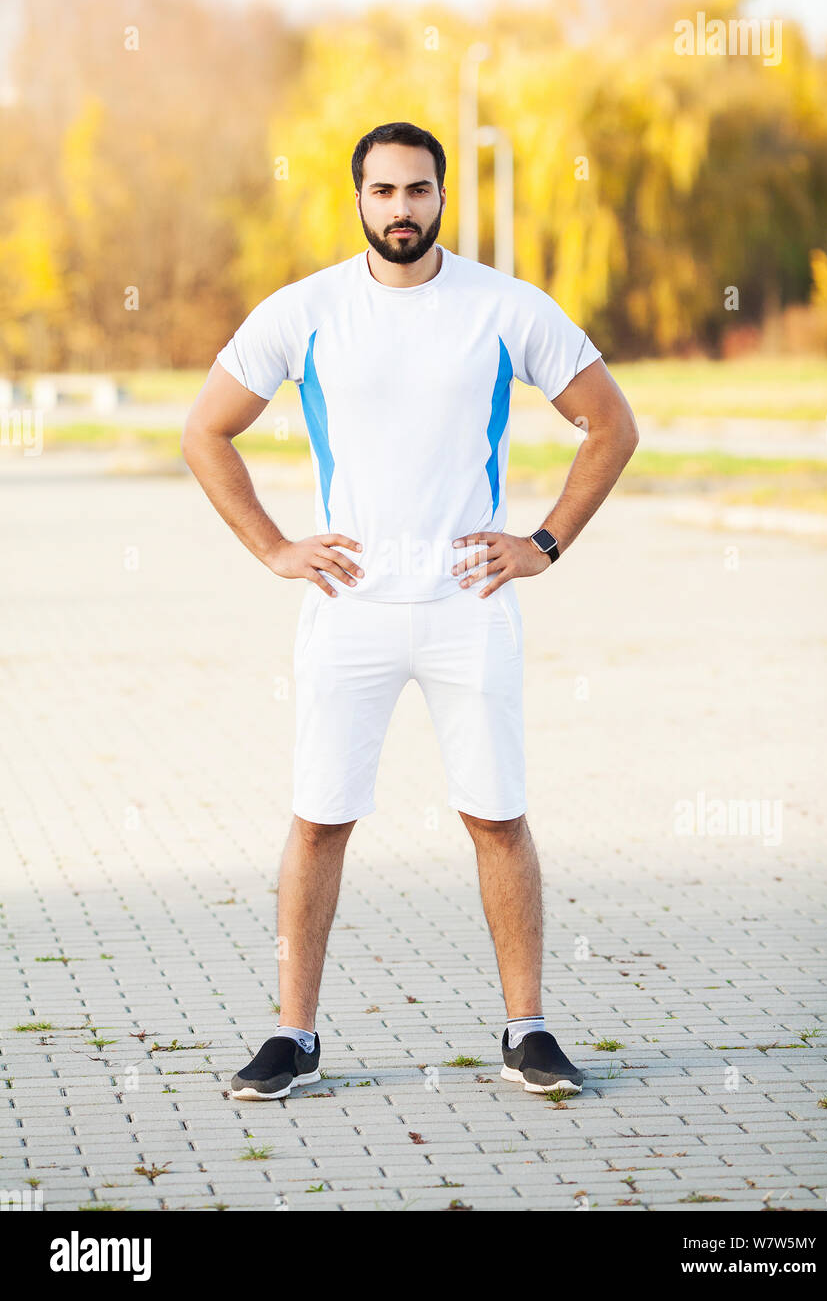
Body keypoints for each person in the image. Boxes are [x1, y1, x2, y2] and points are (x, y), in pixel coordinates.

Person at [181, 120, 639, 1100]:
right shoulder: (305, 312)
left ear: (440, 197)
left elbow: (609, 423)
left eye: (418, 191)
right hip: (347, 607)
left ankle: (528, 1030)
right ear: (359, 199)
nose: (402, 208)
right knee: (317, 822)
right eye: (383, 191)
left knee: (496, 817)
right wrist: (272, 546)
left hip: (467, 604)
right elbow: (205, 430)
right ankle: (291, 1037)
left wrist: (542, 543)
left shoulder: (503, 307)